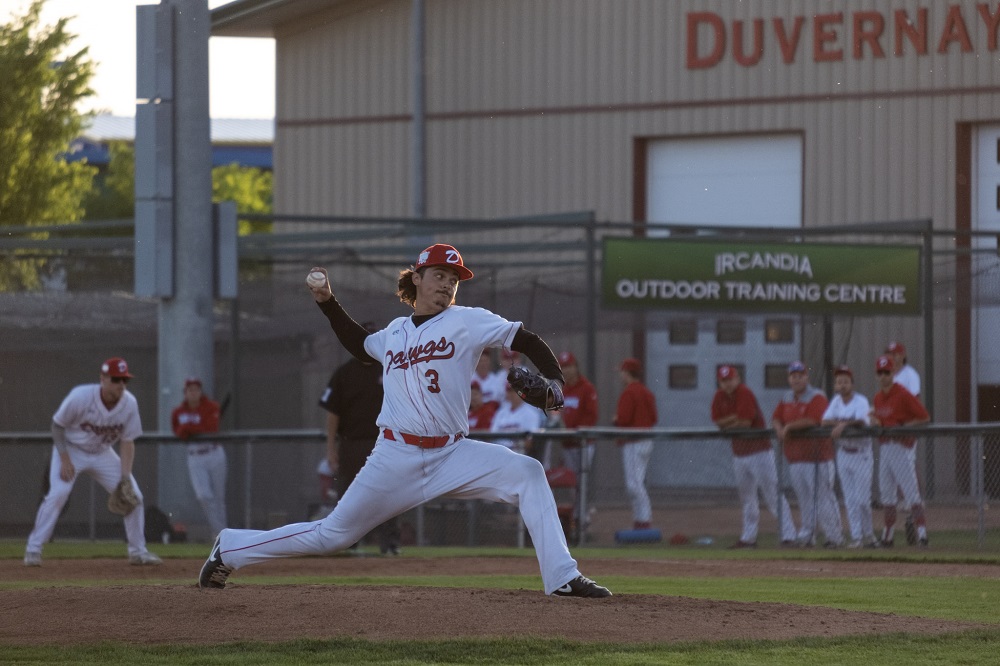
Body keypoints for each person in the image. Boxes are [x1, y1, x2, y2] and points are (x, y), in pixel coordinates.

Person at [199, 243, 611, 597]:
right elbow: (359, 344)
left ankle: (562, 576)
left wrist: (555, 382)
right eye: (439, 275)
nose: (447, 284)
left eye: (454, 278)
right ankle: (231, 548)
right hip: (395, 456)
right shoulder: (393, 333)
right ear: (416, 278)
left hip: (452, 454)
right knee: (332, 536)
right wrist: (327, 302)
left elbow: (527, 340)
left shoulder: (467, 320)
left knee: (528, 472)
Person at [25, 357, 161, 567]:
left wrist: (125, 476)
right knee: (58, 493)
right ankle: (33, 549)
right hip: (71, 449)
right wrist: (65, 459)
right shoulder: (81, 396)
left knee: (134, 496)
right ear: (103, 378)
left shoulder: (129, 404)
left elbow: (127, 441)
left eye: (124, 380)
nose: (121, 384)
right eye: (116, 379)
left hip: (102, 453)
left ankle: (138, 552)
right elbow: (57, 426)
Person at [318, 322, 401, 555]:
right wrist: (330, 449)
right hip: (352, 444)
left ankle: (390, 544)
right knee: (349, 496)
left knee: (389, 493)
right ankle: (348, 543)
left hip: (387, 443)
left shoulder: (390, 368)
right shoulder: (344, 373)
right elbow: (332, 413)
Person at [711, 365, 796, 549]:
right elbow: (717, 421)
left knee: (772, 493)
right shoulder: (719, 396)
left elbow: (745, 422)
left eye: (730, 379)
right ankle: (749, 538)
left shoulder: (744, 393)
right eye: (723, 381)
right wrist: (733, 419)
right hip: (739, 454)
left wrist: (728, 422)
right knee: (747, 497)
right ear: (720, 382)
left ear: (737, 378)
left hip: (760, 452)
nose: (727, 384)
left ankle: (789, 535)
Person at [771, 361, 843, 548]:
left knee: (823, 498)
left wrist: (789, 427)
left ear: (806, 377)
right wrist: (779, 428)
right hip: (796, 458)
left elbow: (814, 420)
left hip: (818, 458)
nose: (796, 379)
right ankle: (807, 535)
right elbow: (776, 417)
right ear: (789, 378)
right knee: (804, 500)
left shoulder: (816, 396)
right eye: (793, 376)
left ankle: (834, 537)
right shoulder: (787, 397)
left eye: (800, 375)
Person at [871, 354, 931, 547]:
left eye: (886, 372)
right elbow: (879, 419)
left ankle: (922, 535)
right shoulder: (878, 398)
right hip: (885, 448)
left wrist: (905, 426)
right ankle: (887, 536)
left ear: (892, 373)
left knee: (911, 494)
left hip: (901, 448)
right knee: (887, 495)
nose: (883, 376)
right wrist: (875, 419)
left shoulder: (903, 394)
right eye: (880, 373)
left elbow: (924, 417)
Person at [821, 365, 878, 549]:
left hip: (861, 454)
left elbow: (861, 421)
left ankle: (869, 536)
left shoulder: (860, 401)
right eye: (839, 382)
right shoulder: (836, 401)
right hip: (844, 453)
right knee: (850, 500)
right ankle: (857, 538)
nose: (842, 384)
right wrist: (840, 423)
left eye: (845, 381)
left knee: (862, 500)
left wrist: (842, 425)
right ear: (836, 385)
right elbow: (824, 421)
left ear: (852, 383)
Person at [171, 377, 227, 539]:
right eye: (190, 390)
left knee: (219, 498)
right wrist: (191, 429)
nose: (193, 393)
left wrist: (188, 428)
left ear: (201, 391)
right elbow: (178, 432)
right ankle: (220, 532)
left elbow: (210, 428)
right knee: (203, 496)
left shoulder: (212, 406)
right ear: (185, 393)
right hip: (195, 455)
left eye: (196, 389)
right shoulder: (178, 412)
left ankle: (222, 534)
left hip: (214, 452)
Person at [614, 357, 658, 531]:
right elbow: (654, 418)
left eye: (622, 372)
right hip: (646, 441)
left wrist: (616, 419)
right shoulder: (646, 392)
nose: (621, 375)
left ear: (627, 373)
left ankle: (644, 520)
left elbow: (623, 419)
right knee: (637, 482)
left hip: (633, 442)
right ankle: (640, 519)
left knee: (634, 484)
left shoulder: (629, 392)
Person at [489, 382, 545, 452]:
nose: (512, 394)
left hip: (518, 452)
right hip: (499, 451)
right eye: (509, 391)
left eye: (515, 391)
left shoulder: (531, 413)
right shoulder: (501, 412)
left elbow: (529, 442)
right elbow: (492, 435)